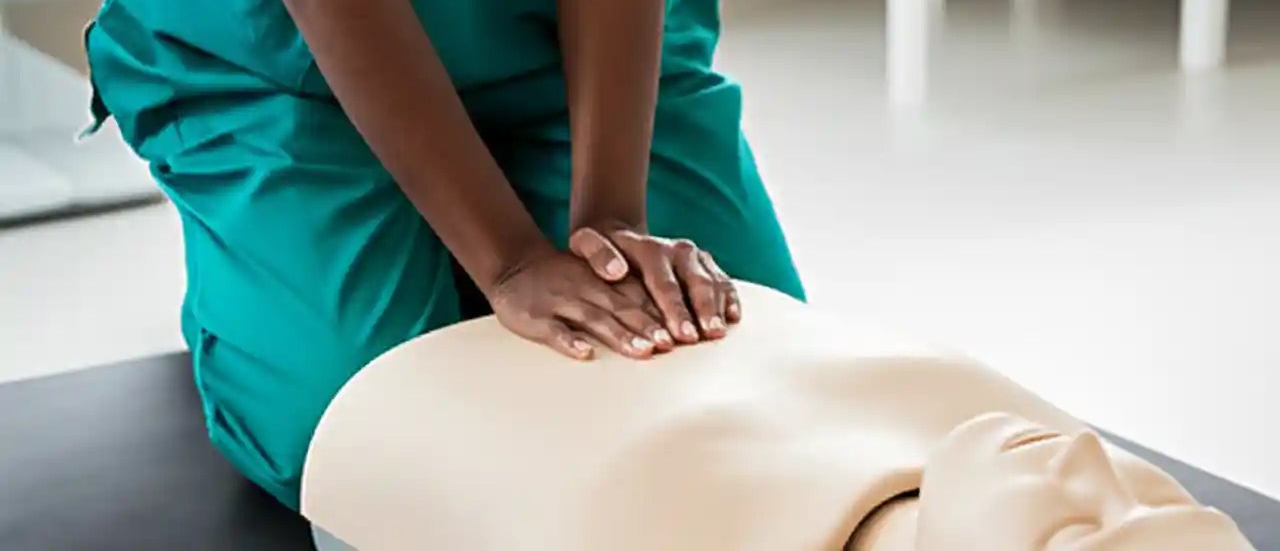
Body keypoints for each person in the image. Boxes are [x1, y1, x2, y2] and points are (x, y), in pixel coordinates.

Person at [83, 0, 804, 509]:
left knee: (754, 364)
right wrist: (510, 260)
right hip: (286, 63)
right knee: (354, 437)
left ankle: (454, 244)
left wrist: (612, 227)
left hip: (551, 22)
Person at [302, 283, 1255, 551]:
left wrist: (521, 256)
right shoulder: (968, 417)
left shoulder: (634, 515)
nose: (1088, 454)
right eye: (1164, 503)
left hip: (406, 396)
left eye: (1077, 535)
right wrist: (600, 225)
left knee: (311, 367)